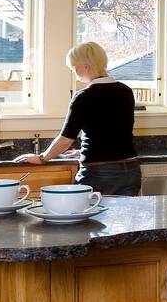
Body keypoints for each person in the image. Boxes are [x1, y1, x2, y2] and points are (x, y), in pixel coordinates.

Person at [15, 41, 141, 196]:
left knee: (87, 217)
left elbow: (66, 139)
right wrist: (83, 150)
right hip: (131, 170)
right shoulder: (125, 91)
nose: (74, 71)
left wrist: (42, 158)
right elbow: (114, 132)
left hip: (99, 172)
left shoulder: (83, 97)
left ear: (85, 66)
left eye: (74, 67)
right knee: (123, 219)